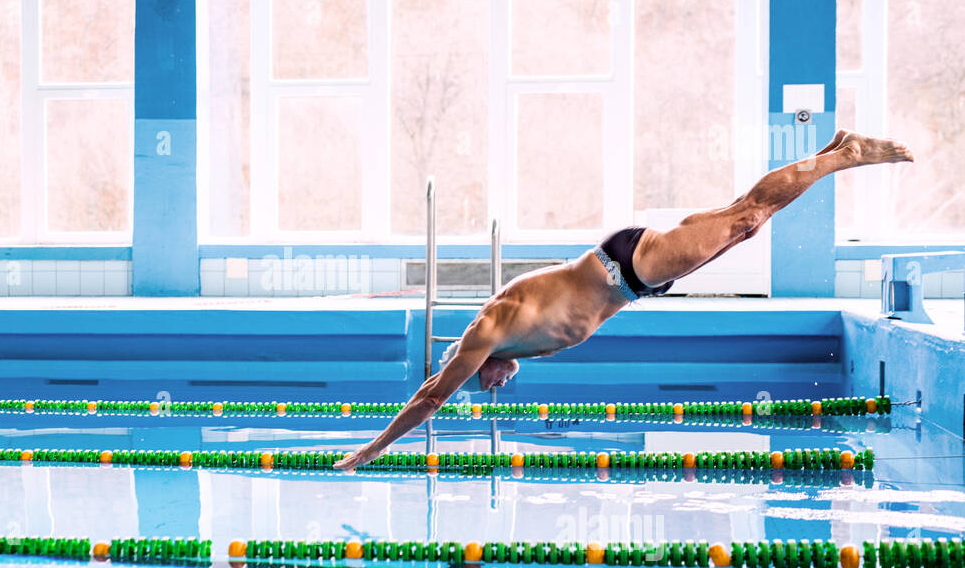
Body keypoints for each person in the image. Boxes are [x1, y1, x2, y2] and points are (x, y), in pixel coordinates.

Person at [334, 130, 913, 471]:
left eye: (486, 380)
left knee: (746, 217)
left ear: (476, 362)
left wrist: (372, 450)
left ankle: (845, 155)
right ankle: (835, 148)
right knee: (748, 220)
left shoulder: (484, 334)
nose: (495, 385)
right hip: (632, 274)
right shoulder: (509, 344)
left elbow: (431, 396)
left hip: (627, 265)